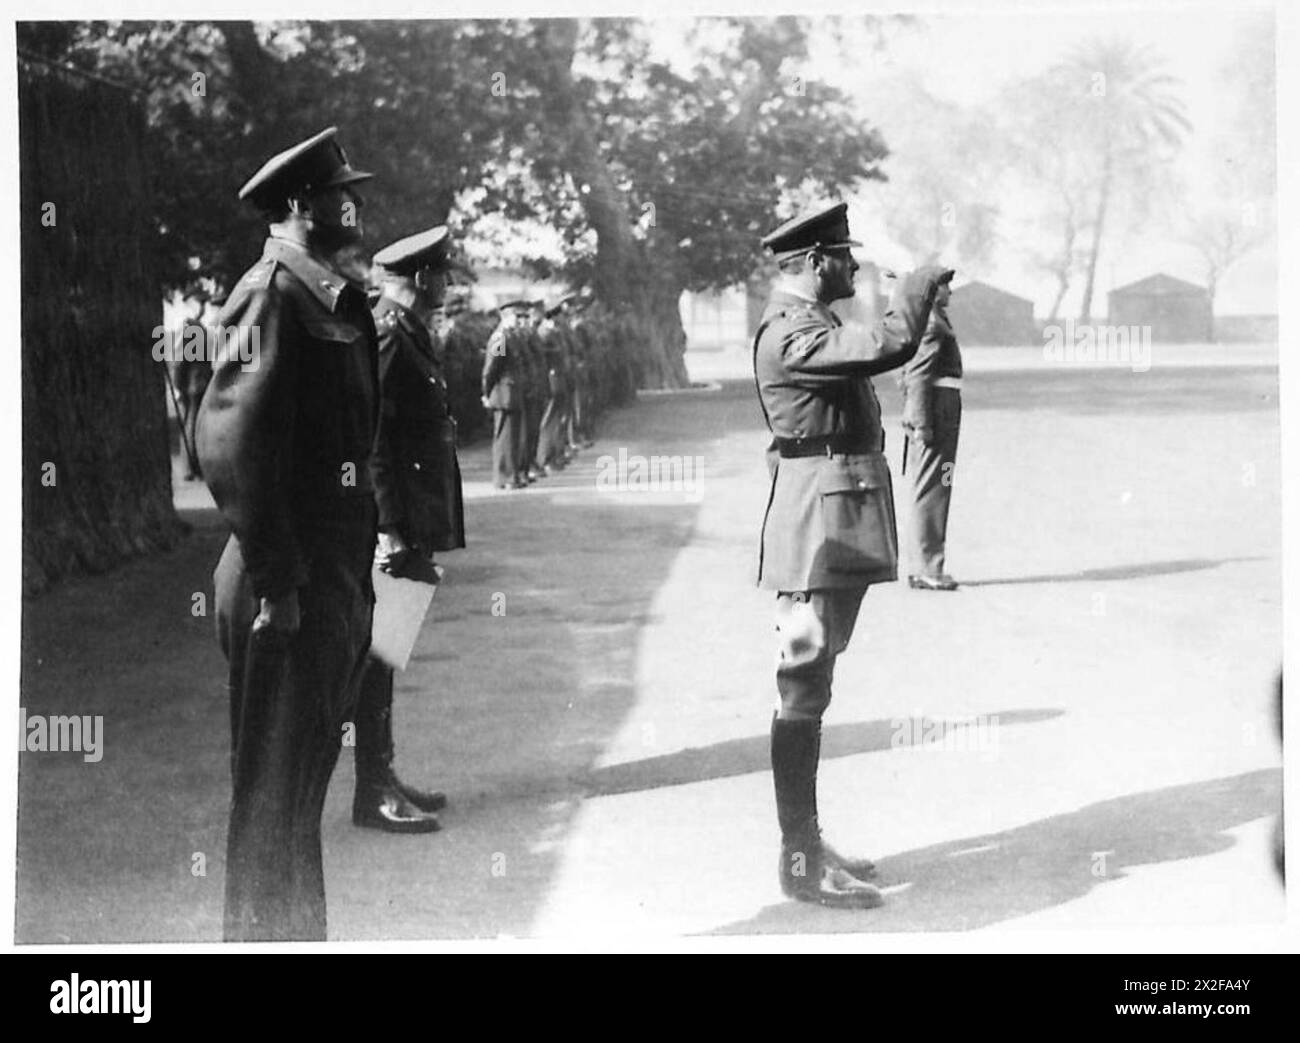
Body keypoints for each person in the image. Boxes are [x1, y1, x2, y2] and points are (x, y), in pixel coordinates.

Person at [197, 127, 377, 941]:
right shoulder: (272, 292)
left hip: (323, 579)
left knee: (297, 799)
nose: (358, 206)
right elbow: (230, 444)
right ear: (305, 205)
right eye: (345, 194)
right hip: (287, 587)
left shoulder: (323, 294)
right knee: (272, 805)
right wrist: (278, 583)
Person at [753, 201, 952, 909]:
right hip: (813, 533)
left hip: (824, 526)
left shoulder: (810, 325)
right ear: (811, 263)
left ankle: (806, 841)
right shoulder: (790, 332)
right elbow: (890, 344)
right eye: (842, 255)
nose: (852, 264)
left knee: (813, 684)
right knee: (801, 687)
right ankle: (800, 859)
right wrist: (920, 282)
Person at [353, 225, 468, 833]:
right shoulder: (390, 334)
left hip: (412, 519)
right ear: (421, 278)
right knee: (376, 656)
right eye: (443, 273)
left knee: (387, 653)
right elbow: (371, 438)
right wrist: (390, 529)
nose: (447, 283)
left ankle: (382, 777)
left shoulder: (407, 330)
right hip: (395, 525)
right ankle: (372, 790)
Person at [899, 276, 963, 591]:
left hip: (939, 407)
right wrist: (922, 422)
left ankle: (923, 565)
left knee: (932, 487)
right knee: (933, 489)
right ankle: (928, 568)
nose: (950, 291)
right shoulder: (932, 325)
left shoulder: (932, 320)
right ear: (932, 292)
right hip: (937, 410)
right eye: (944, 286)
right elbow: (918, 376)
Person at [482, 301, 528, 490]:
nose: (519, 321)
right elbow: (491, 368)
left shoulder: (510, 337)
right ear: (506, 316)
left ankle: (512, 474)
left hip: (512, 392)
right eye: (516, 317)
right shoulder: (500, 338)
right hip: (503, 393)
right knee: (505, 438)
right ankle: (504, 476)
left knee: (512, 438)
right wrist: (486, 392)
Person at [534, 301, 571, 474]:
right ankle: (545, 458)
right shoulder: (544, 333)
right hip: (550, 379)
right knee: (549, 421)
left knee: (557, 419)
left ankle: (555, 455)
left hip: (558, 377)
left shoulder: (553, 333)